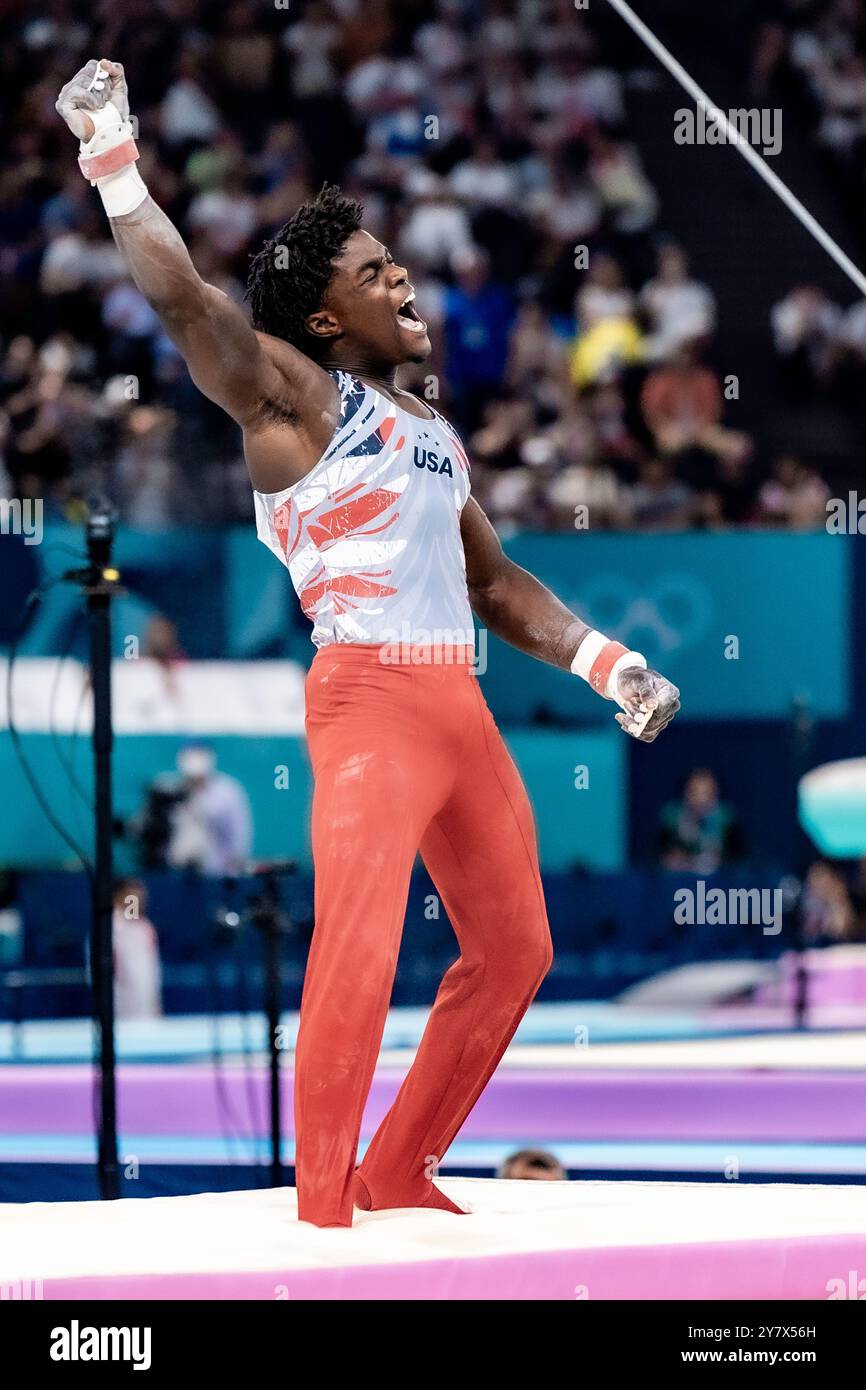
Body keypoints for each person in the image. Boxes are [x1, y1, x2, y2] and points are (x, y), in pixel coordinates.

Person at [56, 59, 680, 1228]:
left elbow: (492, 580)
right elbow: (189, 304)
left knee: (516, 948)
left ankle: (398, 1167)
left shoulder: (430, 427)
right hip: (369, 702)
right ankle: (320, 1213)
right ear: (323, 315)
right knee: (358, 944)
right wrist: (112, 161)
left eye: (398, 263)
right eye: (372, 272)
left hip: (459, 707)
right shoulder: (294, 400)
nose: (402, 279)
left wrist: (606, 662)